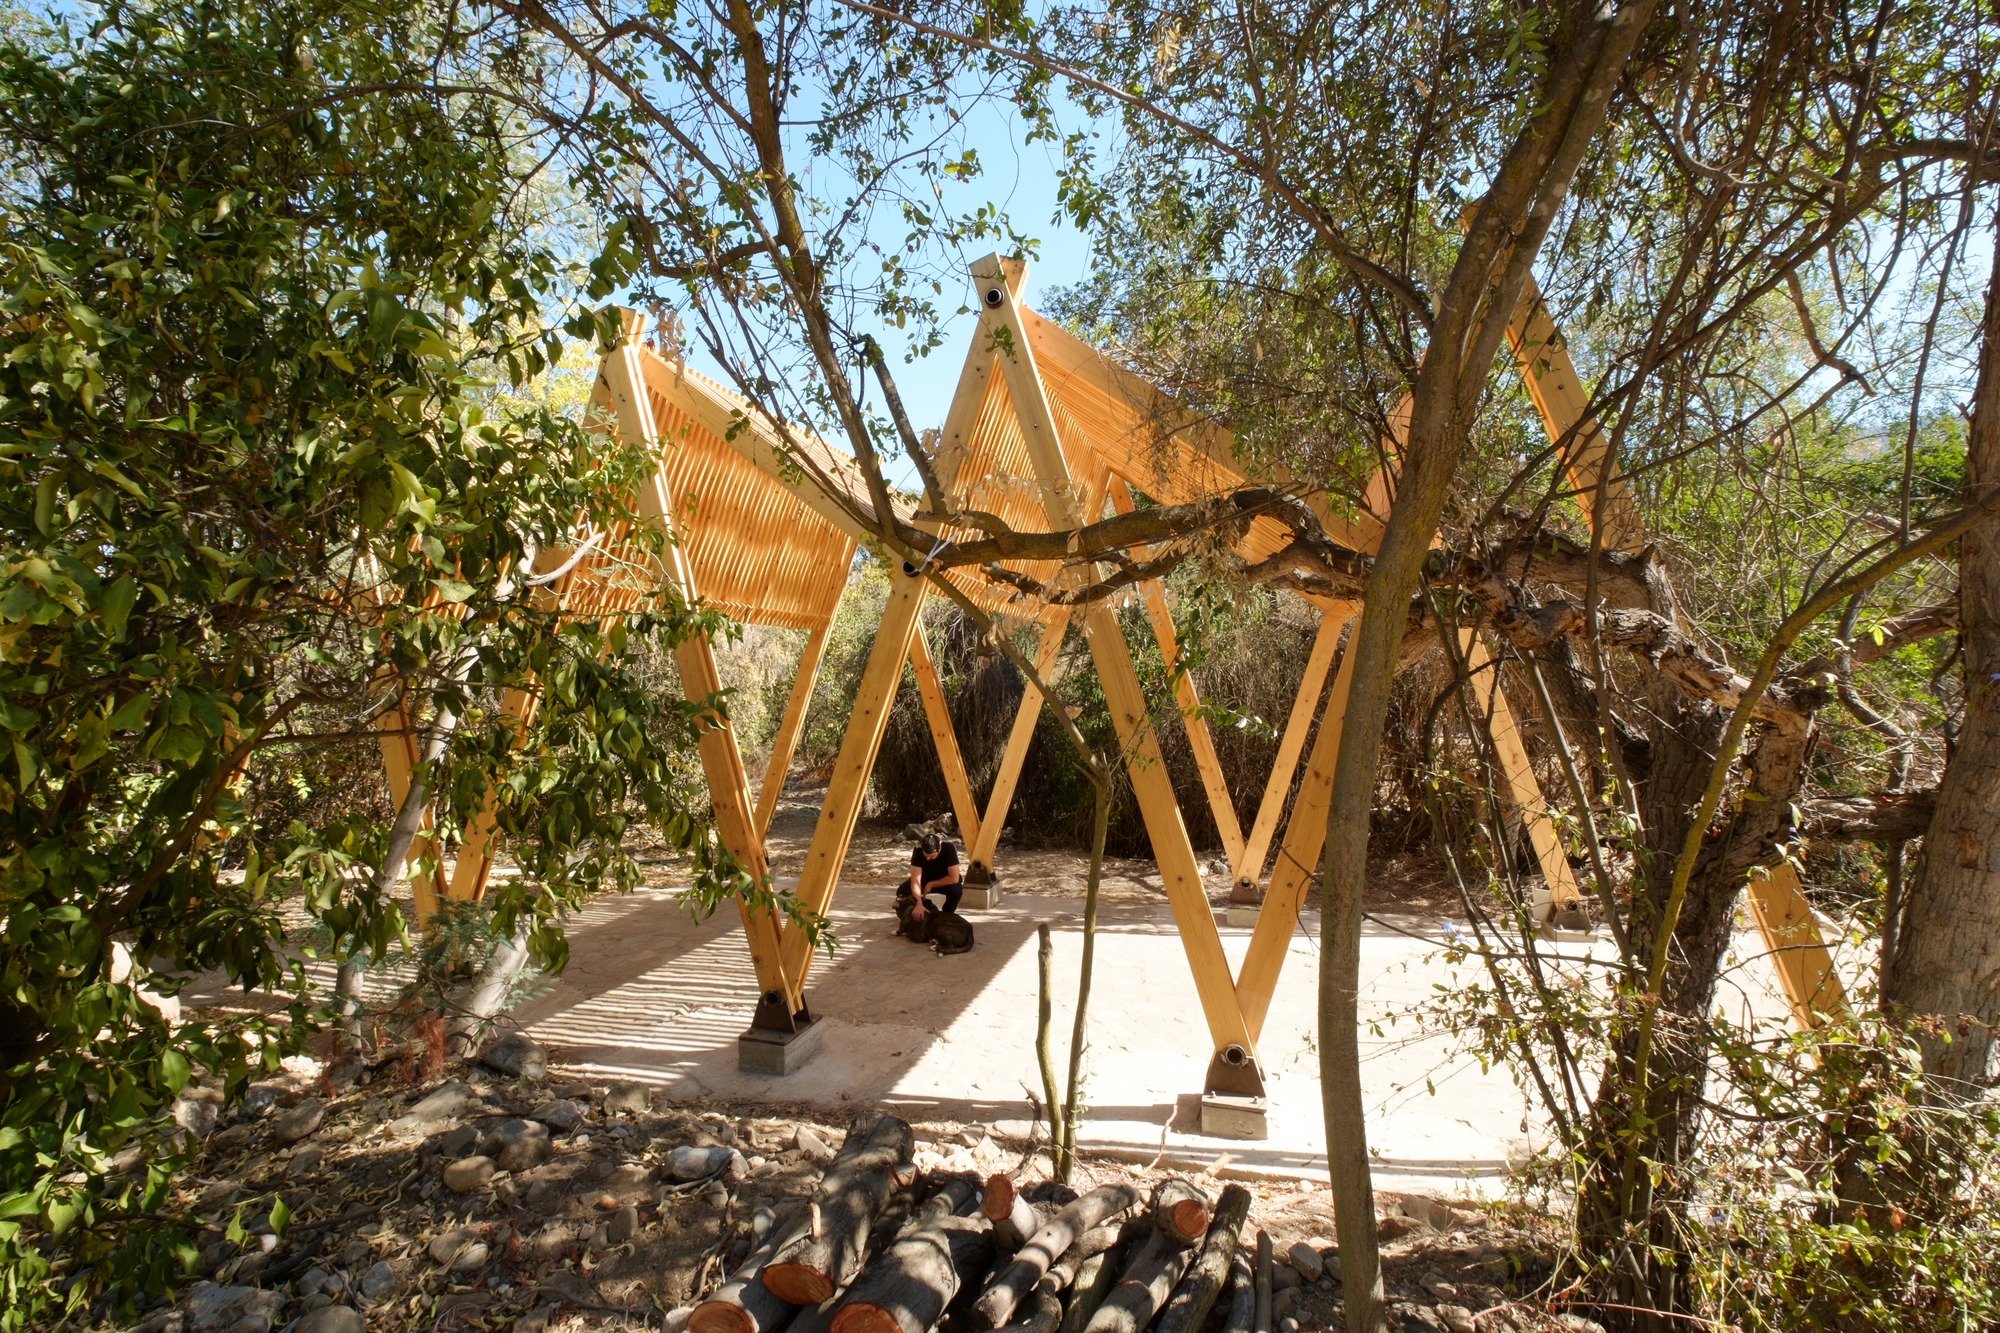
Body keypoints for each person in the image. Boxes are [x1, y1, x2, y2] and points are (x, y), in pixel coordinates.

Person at [907, 830, 962, 920]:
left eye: (932, 856)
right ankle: (925, 909)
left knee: (956, 891)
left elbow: (954, 878)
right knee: (902, 891)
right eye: (926, 856)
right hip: (925, 879)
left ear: (939, 849)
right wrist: (918, 903)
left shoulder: (949, 848)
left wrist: (931, 884)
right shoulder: (917, 850)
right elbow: (915, 881)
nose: (928, 859)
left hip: (945, 880)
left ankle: (947, 914)